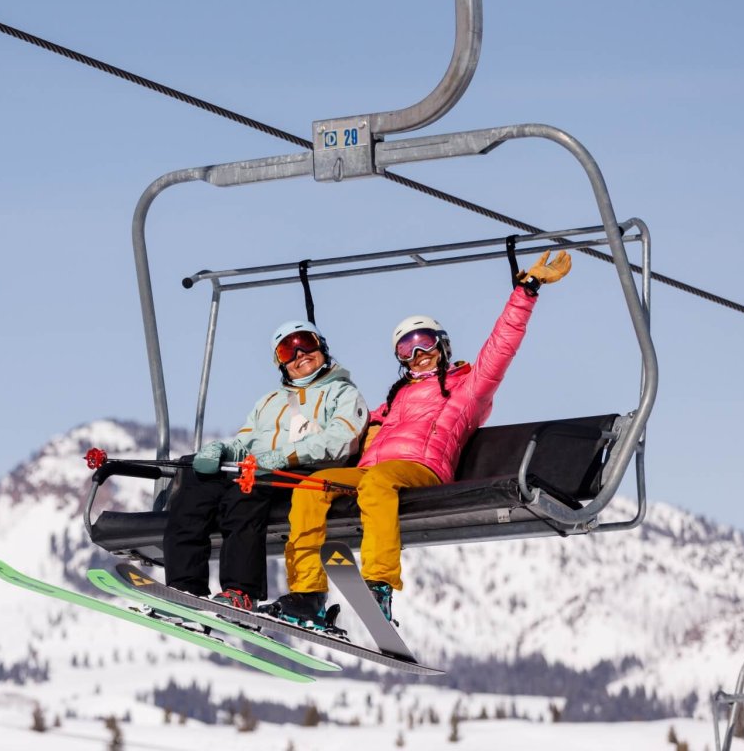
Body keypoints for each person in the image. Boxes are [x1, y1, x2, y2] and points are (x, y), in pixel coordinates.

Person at [271, 250, 572, 625]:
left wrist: (525, 292)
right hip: (369, 475)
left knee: (378, 482)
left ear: (442, 345)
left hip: (420, 469)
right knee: (311, 487)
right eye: (406, 348)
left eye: (424, 342)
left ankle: (378, 584)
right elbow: (350, 427)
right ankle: (307, 594)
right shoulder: (394, 398)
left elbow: (501, 347)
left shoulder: (468, 389)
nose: (417, 353)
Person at [164, 320, 369, 610]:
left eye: (305, 343)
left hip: (303, 470)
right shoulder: (269, 401)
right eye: (288, 351)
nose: (300, 355)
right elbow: (246, 441)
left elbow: (340, 439)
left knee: (245, 493)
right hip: (258, 466)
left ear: (321, 345)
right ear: (280, 363)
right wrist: (220, 450)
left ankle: (241, 591)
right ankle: (185, 587)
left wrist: (286, 456)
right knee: (195, 485)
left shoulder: (343, 393)